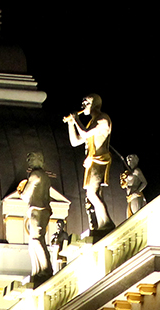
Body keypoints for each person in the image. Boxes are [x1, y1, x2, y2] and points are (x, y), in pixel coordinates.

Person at [64, 94, 114, 232]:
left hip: (99, 160)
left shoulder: (103, 120)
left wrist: (76, 119)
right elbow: (75, 142)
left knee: (92, 194)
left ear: (95, 104)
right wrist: (71, 124)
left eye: (85, 103)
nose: (82, 106)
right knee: (94, 194)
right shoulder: (91, 122)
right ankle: (101, 224)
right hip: (92, 161)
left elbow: (85, 134)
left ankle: (107, 222)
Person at [14, 152, 54, 286]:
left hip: (37, 209)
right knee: (35, 241)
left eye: (31, 159)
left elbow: (26, 195)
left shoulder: (35, 175)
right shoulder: (46, 177)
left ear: (38, 160)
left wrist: (20, 192)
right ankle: (39, 270)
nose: (29, 162)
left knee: (36, 240)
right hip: (44, 209)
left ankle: (45, 269)